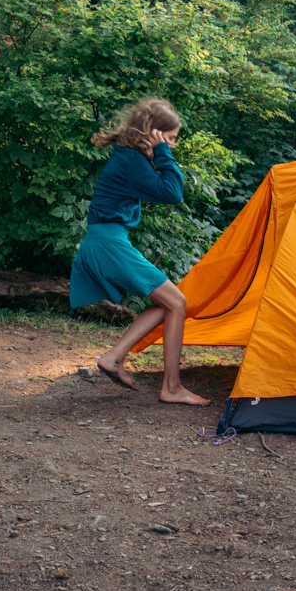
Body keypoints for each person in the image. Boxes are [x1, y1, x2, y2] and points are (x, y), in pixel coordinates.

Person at [69, 98, 209, 406]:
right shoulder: (131, 159)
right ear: (154, 133)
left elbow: (163, 187)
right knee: (177, 302)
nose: (171, 146)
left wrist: (158, 153)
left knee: (171, 304)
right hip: (108, 243)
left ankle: (114, 358)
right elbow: (172, 192)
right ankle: (170, 387)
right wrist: (160, 153)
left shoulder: (128, 157)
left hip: (106, 240)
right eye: (169, 139)